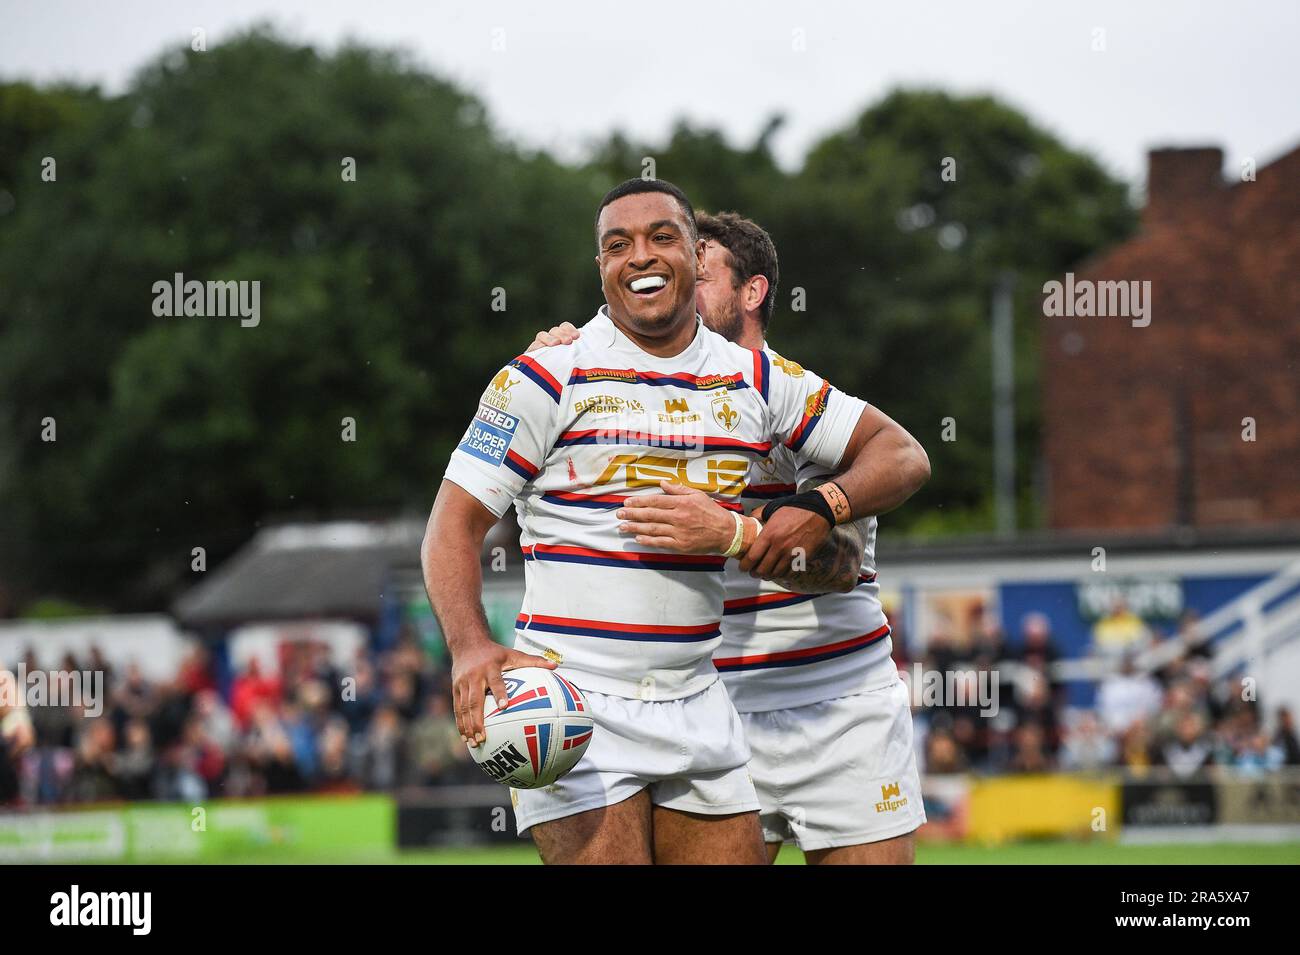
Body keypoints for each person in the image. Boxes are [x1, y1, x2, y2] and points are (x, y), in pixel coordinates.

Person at [422, 179, 908, 864]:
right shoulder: (545, 374)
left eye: (661, 237)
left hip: (703, 696)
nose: (639, 256)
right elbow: (453, 524)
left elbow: (899, 460)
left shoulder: (758, 381)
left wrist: (799, 512)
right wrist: (470, 644)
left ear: (691, 251)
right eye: (616, 245)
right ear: (599, 267)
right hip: (577, 693)